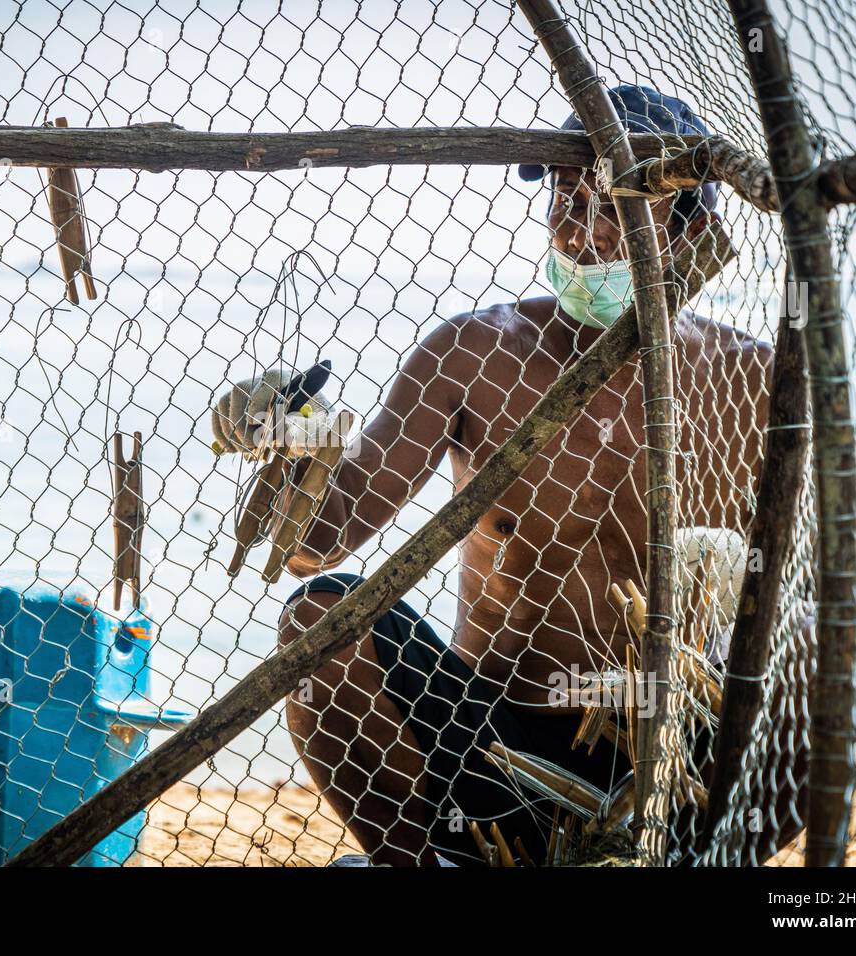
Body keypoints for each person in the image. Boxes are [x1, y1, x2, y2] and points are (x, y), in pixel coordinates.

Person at [236, 86, 807, 865]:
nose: (579, 231)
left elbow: (782, 588)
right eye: (565, 200)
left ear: (693, 230)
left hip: (669, 752)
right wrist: (285, 437)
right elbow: (316, 547)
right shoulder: (471, 354)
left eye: (612, 208)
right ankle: (424, 861)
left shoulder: (751, 378)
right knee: (316, 620)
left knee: (816, 646)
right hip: (490, 731)